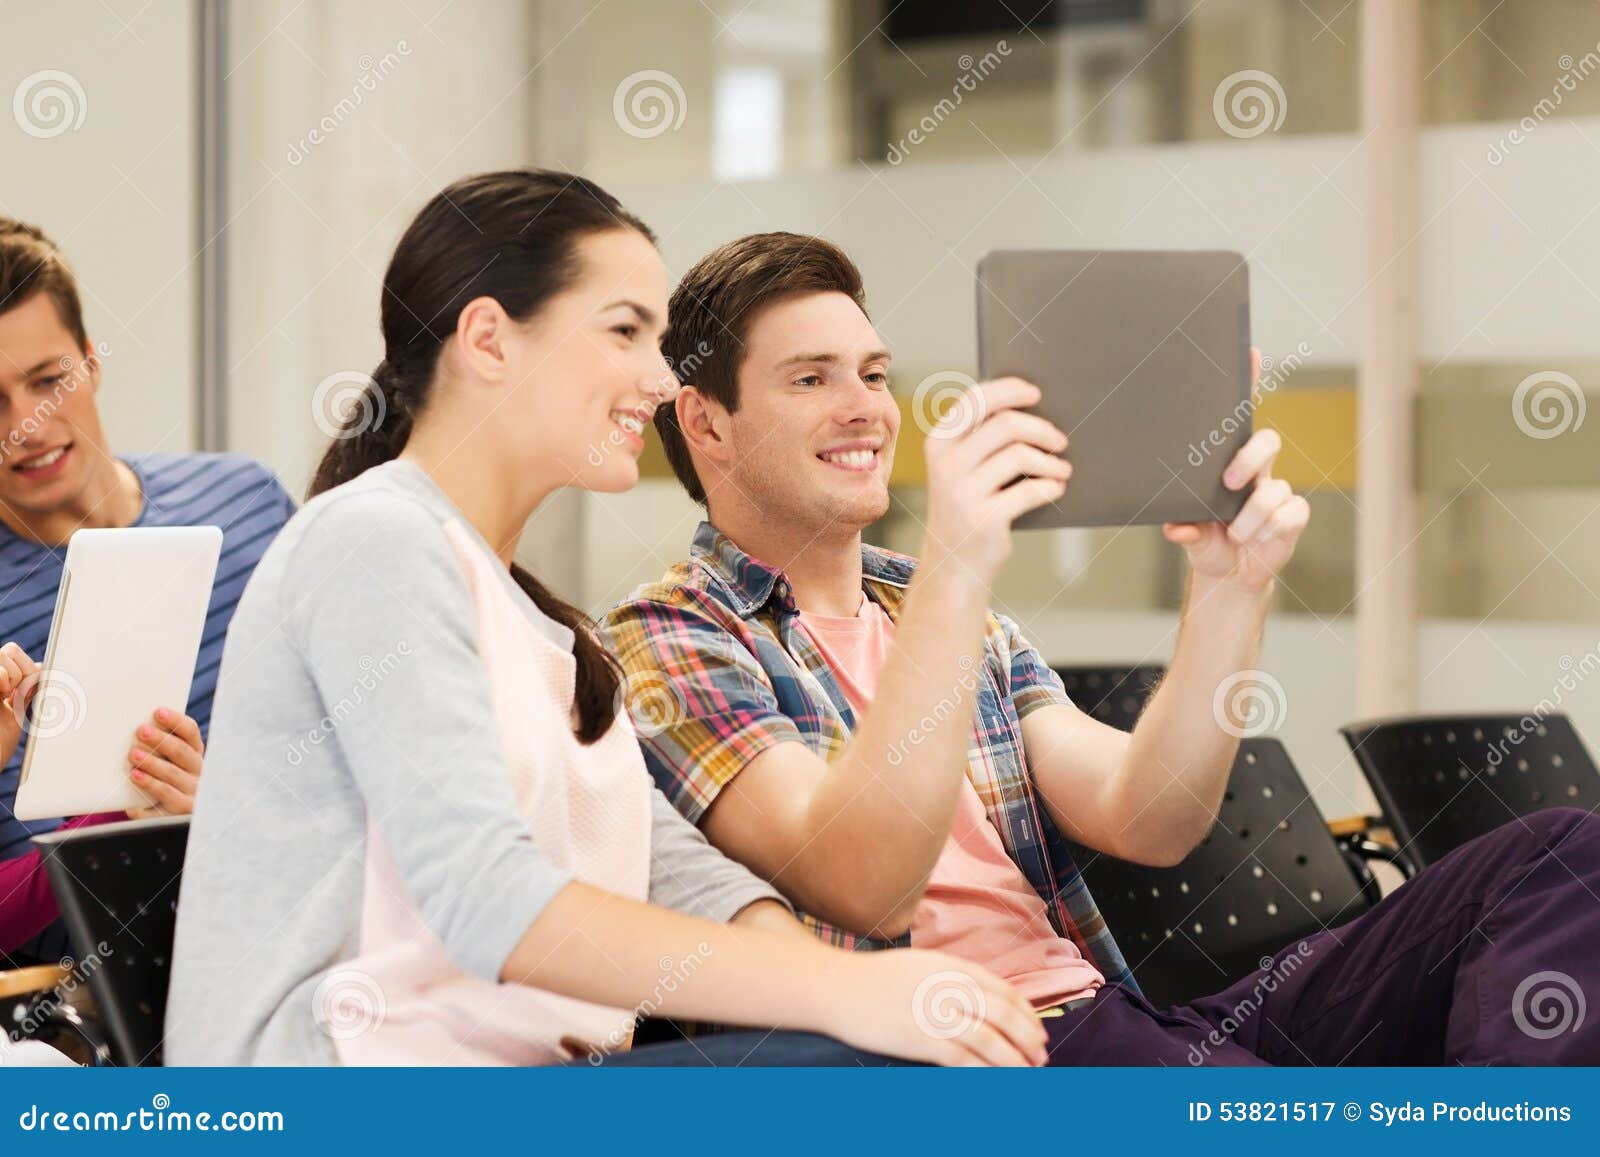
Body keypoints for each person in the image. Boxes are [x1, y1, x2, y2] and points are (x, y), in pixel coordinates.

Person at [601, 230, 1600, 1065]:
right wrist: (955, 560)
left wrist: (1226, 590)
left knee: (1564, 855)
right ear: (707, 423)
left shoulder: (941, 609)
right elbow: (865, 883)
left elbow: (1150, 816)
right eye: (810, 378)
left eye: (872, 373)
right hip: (967, 1055)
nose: (864, 406)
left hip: (1115, 1022)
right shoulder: (673, 635)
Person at [165, 170, 1048, 1068]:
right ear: (489, 340)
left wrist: (847, 990)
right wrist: (845, 990)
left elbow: (677, 874)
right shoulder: (373, 540)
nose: (661, 379)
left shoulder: (544, 629)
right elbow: (489, 898)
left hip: (515, 1075)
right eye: (626, 331)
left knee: (867, 1060)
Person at [0, 219, 295, 959]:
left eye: (47, 381)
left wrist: (224, 810)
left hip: (301, 936)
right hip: (92, 1003)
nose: (24, 427)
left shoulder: (248, 502)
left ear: (92, 363)